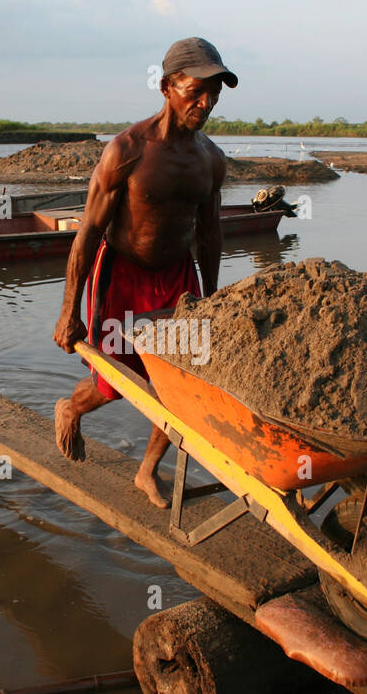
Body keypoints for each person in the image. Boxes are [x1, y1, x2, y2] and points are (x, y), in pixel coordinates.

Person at [52, 37, 236, 508]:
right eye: (197, 90)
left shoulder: (210, 160)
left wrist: (211, 300)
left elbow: (211, 234)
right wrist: (69, 308)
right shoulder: (127, 150)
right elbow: (89, 231)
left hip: (177, 278)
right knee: (114, 383)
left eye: (215, 93)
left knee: (182, 385)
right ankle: (72, 407)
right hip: (122, 273)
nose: (207, 102)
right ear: (166, 86)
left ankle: (146, 471)